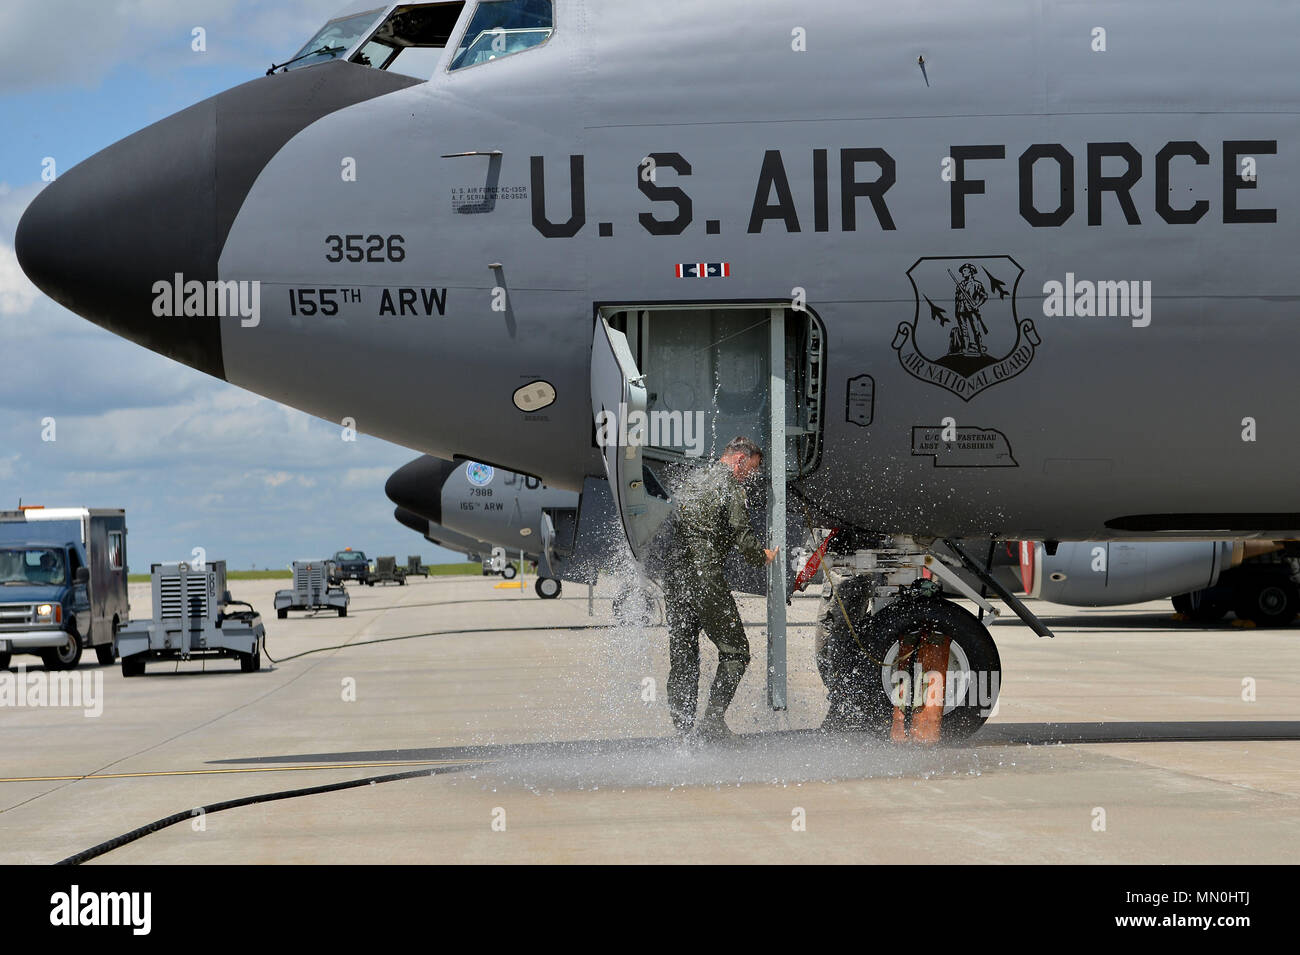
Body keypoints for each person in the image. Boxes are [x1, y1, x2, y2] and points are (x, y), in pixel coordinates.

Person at [660, 436, 778, 740]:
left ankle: (682, 733)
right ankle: (712, 721)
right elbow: (742, 532)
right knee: (736, 651)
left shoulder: (692, 478)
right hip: (705, 577)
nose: (749, 477)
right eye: (749, 470)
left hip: (674, 578)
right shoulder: (730, 485)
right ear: (739, 459)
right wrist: (760, 555)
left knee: (683, 654)